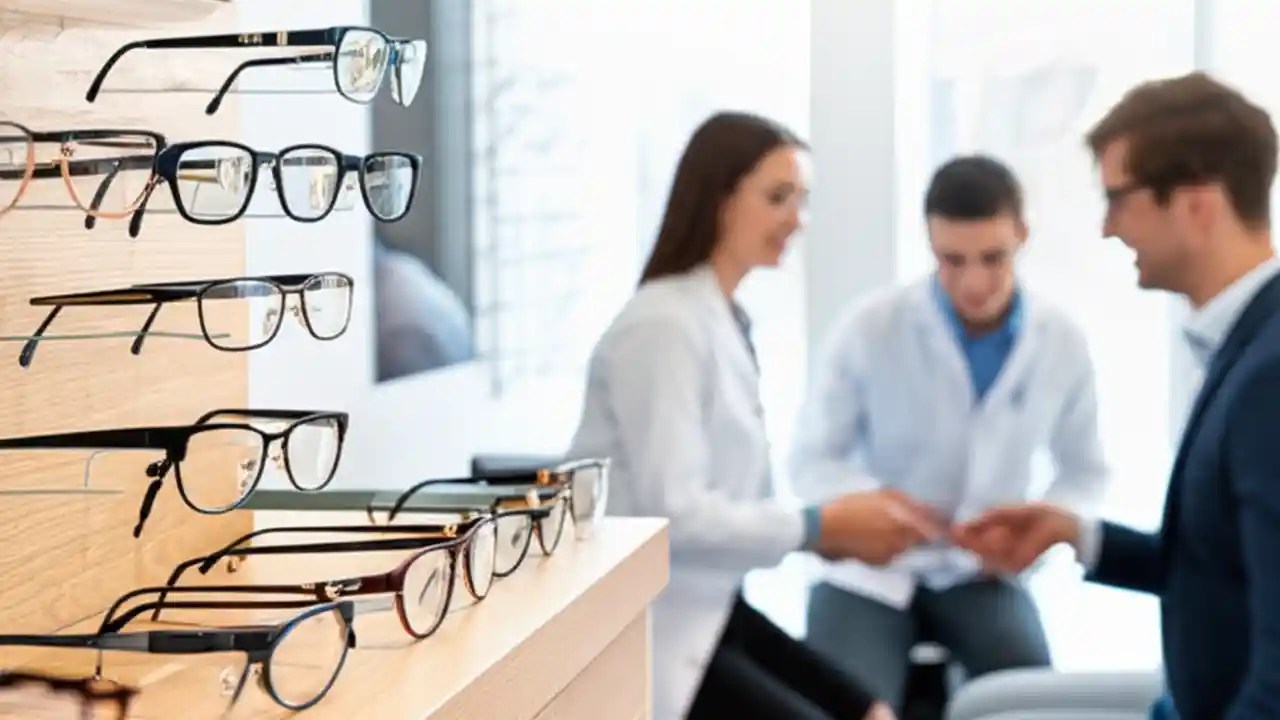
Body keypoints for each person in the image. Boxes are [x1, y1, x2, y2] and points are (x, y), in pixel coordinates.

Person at [953, 71, 1280, 720]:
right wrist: (1077, 534)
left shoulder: (1270, 376)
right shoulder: (1246, 345)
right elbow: (1219, 571)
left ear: (1197, 205)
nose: (1107, 228)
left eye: (1119, 199)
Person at [565, 111, 909, 720]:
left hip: (713, 607)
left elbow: (737, 508)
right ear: (719, 196)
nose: (796, 221)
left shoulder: (720, 319)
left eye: (802, 201)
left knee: (872, 710)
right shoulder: (663, 326)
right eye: (778, 198)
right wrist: (817, 527)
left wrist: (830, 535)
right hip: (655, 625)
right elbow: (677, 513)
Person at [788, 154, 1111, 713]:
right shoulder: (870, 328)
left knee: (1031, 706)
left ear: (1022, 234)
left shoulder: (1060, 340)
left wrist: (1039, 526)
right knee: (839, 706)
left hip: (979, 571)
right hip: (869, 569)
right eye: (951, 260)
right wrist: (874, 507)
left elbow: (1085, 470)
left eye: (993, 258)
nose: (974, 282)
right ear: (929, 242)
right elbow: (813, 459)